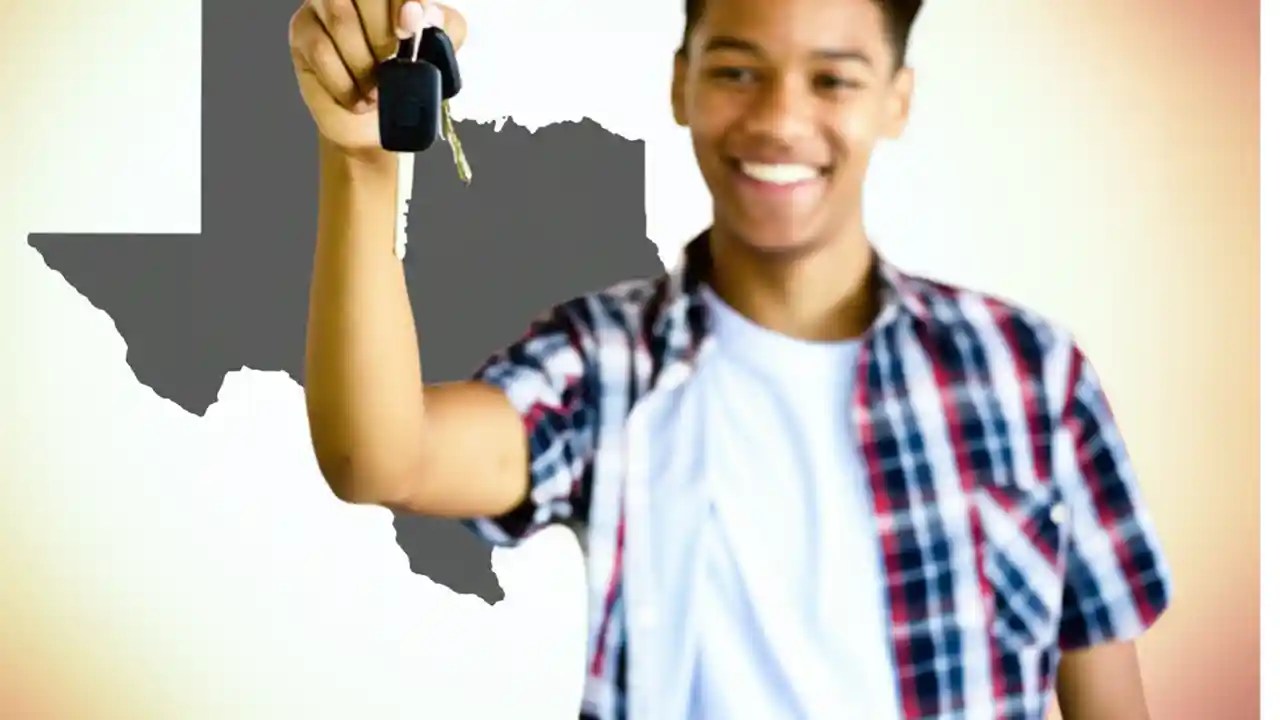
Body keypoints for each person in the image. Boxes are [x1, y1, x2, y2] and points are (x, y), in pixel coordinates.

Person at [289, 0, 1173, 717]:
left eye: (833, 79)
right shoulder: (605, 366)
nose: (781, 119)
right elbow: (382, 455)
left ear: (896, 100)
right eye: (737, 70)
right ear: (681, 83)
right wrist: (361, 163)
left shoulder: (1029, 376)